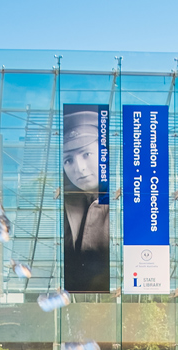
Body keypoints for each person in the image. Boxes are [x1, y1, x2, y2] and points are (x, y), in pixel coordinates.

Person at [62, 109, 109, 292]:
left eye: (86, 154)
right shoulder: (64, 204)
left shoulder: (132, 199)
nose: (79, 168)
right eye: (68, 160)